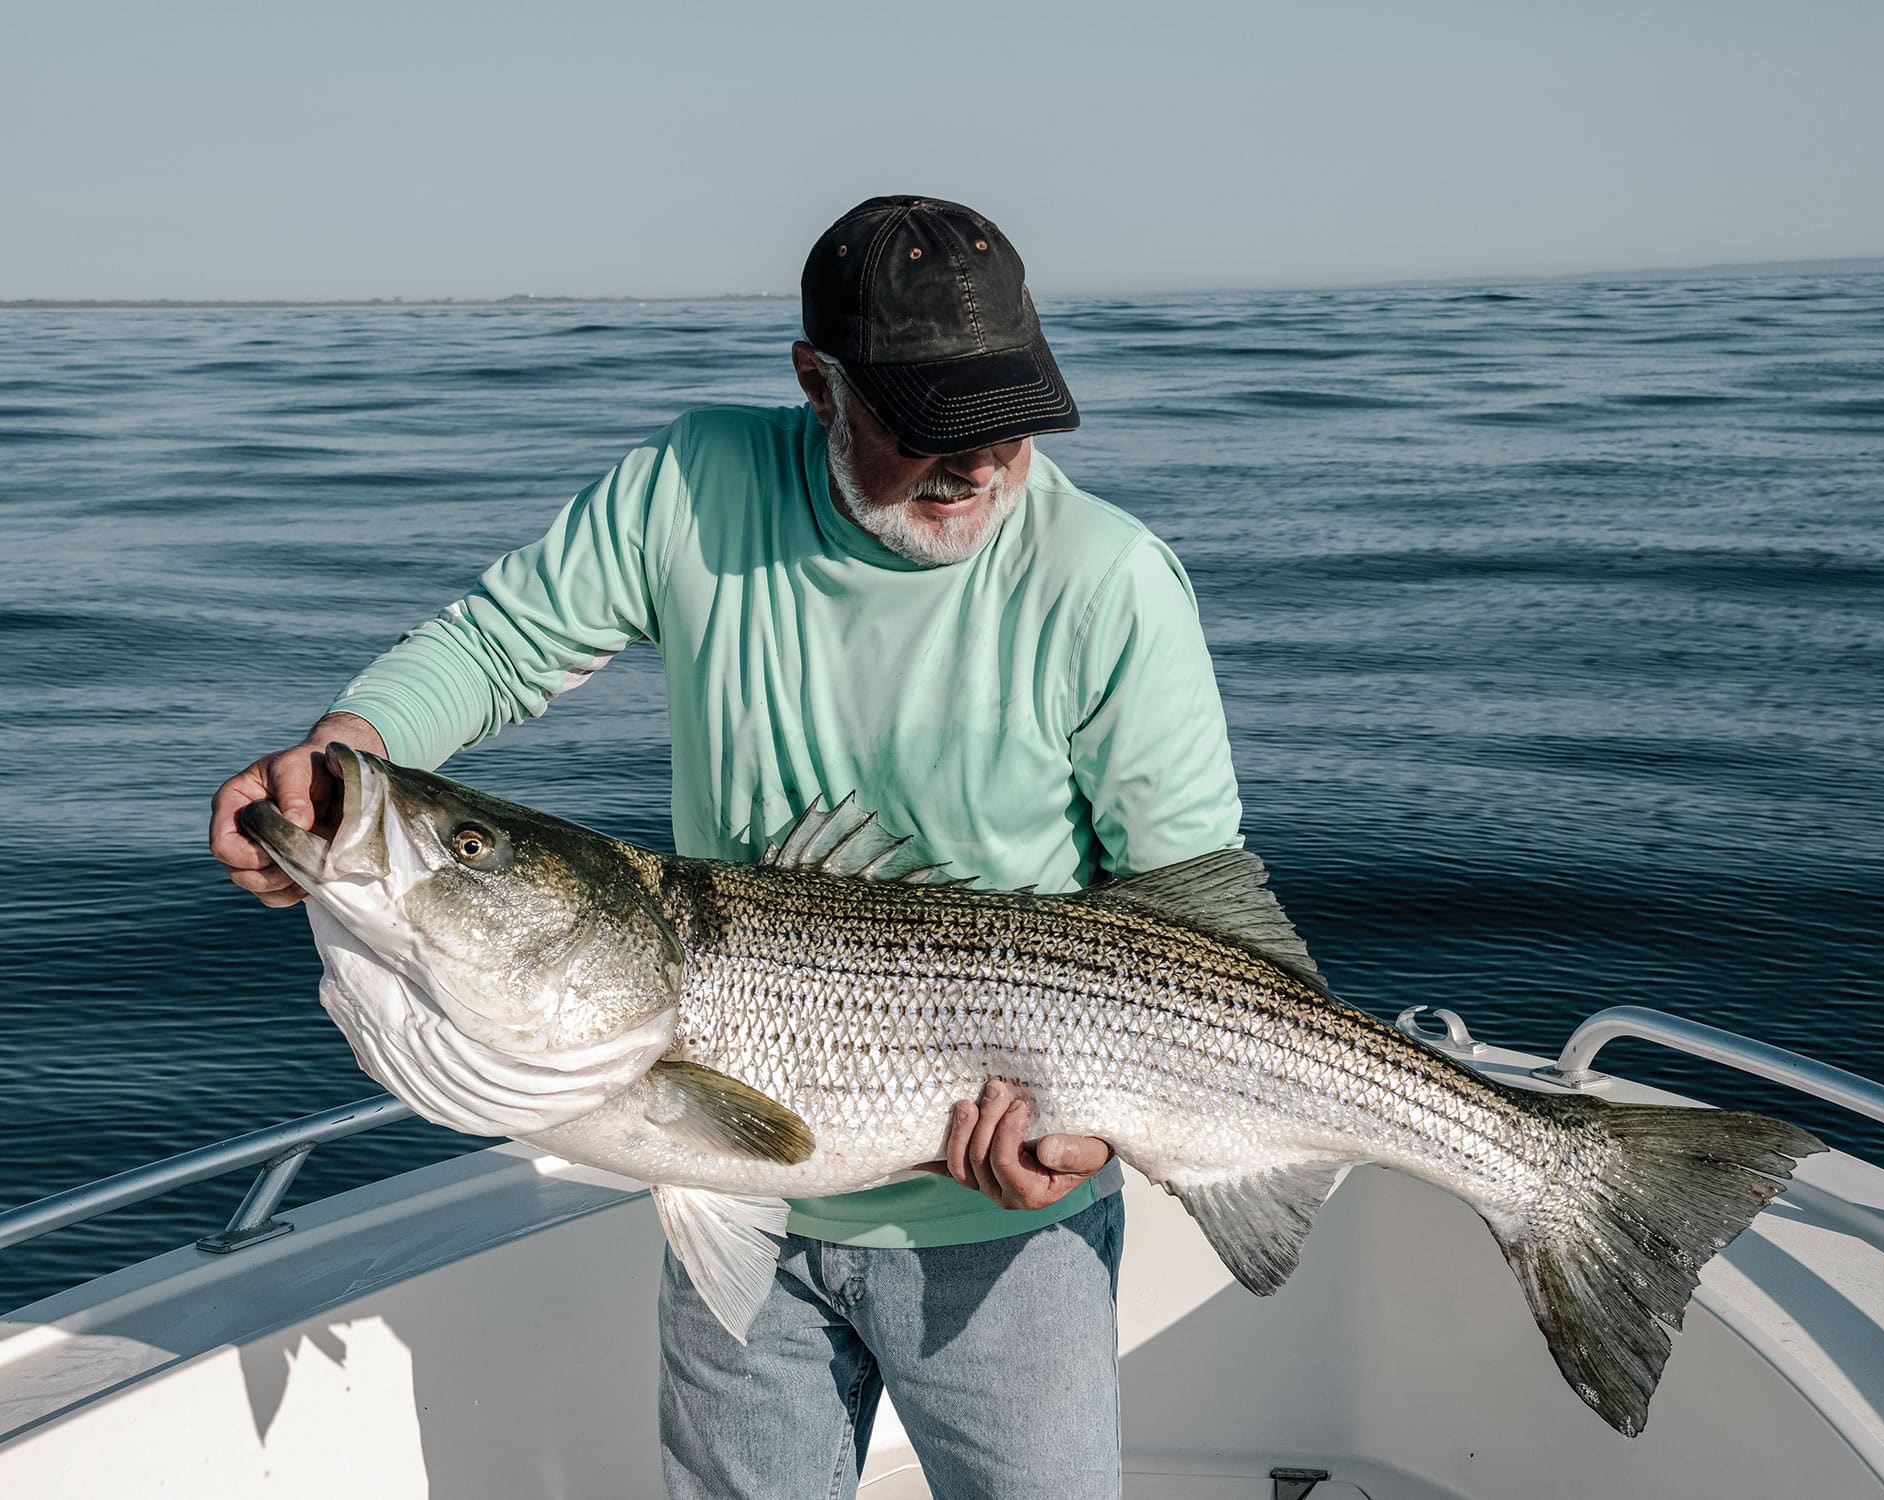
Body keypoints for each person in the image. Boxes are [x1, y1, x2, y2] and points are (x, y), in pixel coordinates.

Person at [209, 195, 1242, 1499]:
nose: (976, 467)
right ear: (817, 382)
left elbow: (1194, 917)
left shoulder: (1109, 583)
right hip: (719, 1207)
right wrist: (353, 741)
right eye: (927, 429)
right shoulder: (695, 486)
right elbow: (498, 643)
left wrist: (1094, 1138)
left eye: (1007, 422)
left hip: (1003, 1234)